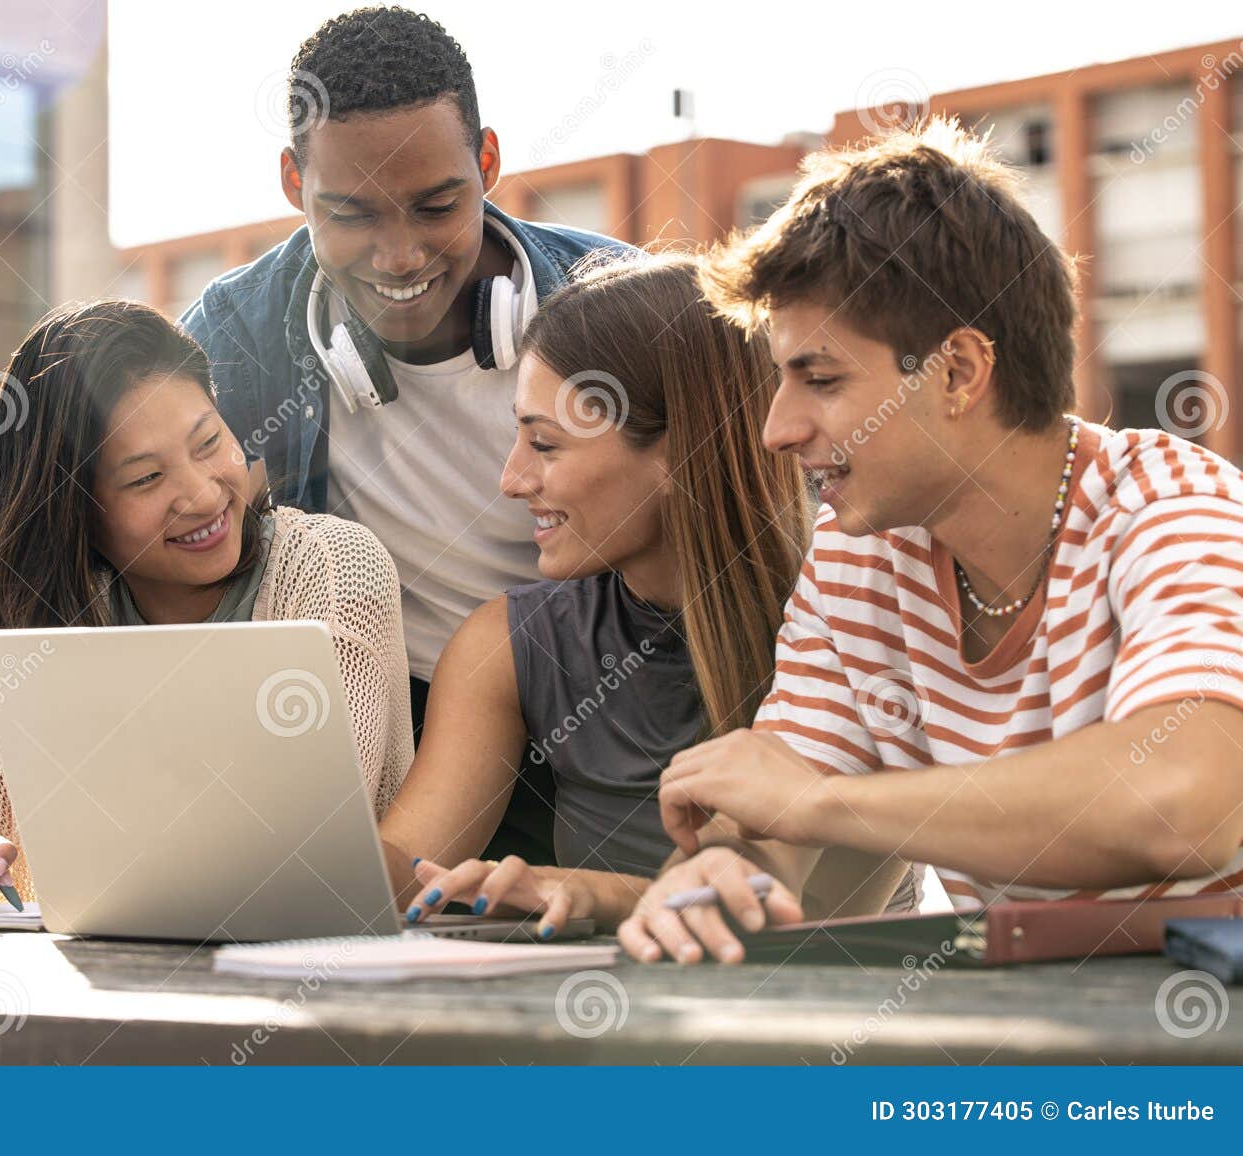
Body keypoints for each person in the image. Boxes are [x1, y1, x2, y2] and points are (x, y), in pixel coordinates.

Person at [0, 6, 630, 899]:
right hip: (394, 734)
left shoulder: (624, 309)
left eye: (437, 205)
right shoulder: (243, 332)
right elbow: (52, 597)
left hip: (595, 712)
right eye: (350, 212)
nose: (398, 254)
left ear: (486, 161)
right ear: (293, 181)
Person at [617, 118, 1243, 964]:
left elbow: (1183, 802)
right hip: (1056, 1018)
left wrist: (817, 806)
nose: (776, 430)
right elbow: (775, 815)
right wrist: (719, 878)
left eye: (822, 379)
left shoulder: (1173, 506)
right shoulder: (858, 557)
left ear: (957, 371)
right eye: (779, 380)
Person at [0, 299, 411, 911]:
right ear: (75, 510)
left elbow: (316, 833)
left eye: (207, 441)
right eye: (145, 478)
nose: (201, 494)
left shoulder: (334, 566)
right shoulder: (56, 610)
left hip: (311, 978)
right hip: (107, 987)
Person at [375, 253, 914, 938]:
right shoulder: (509, 648)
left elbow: (805, 926)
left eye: (545, 444)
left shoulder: (866, 616)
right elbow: (395, 881)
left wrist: (604, 896)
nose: (511, 480)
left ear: (675, 456)